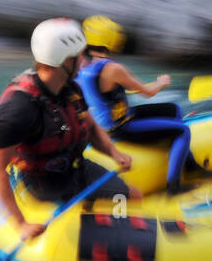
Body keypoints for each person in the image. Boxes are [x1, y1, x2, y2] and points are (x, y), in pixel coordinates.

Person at [0, 18, 137, 241]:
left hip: (76, 168)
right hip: (44, 184)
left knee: (134, 196)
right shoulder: (19, 108)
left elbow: (92, 127)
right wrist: (20, 225)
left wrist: (114, 153)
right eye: (80, 56)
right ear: (65, 60)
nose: (84, 61)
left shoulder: (70, 89)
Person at [76, 15, 195, 196]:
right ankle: (174, 187)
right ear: (113, 40)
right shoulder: (113, 69)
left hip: (112, 120)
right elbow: (148, 93)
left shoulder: (82, 66)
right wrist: (161, 82)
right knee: (183, 130)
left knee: (173, 109)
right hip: (123, 127)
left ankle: (188, 162)